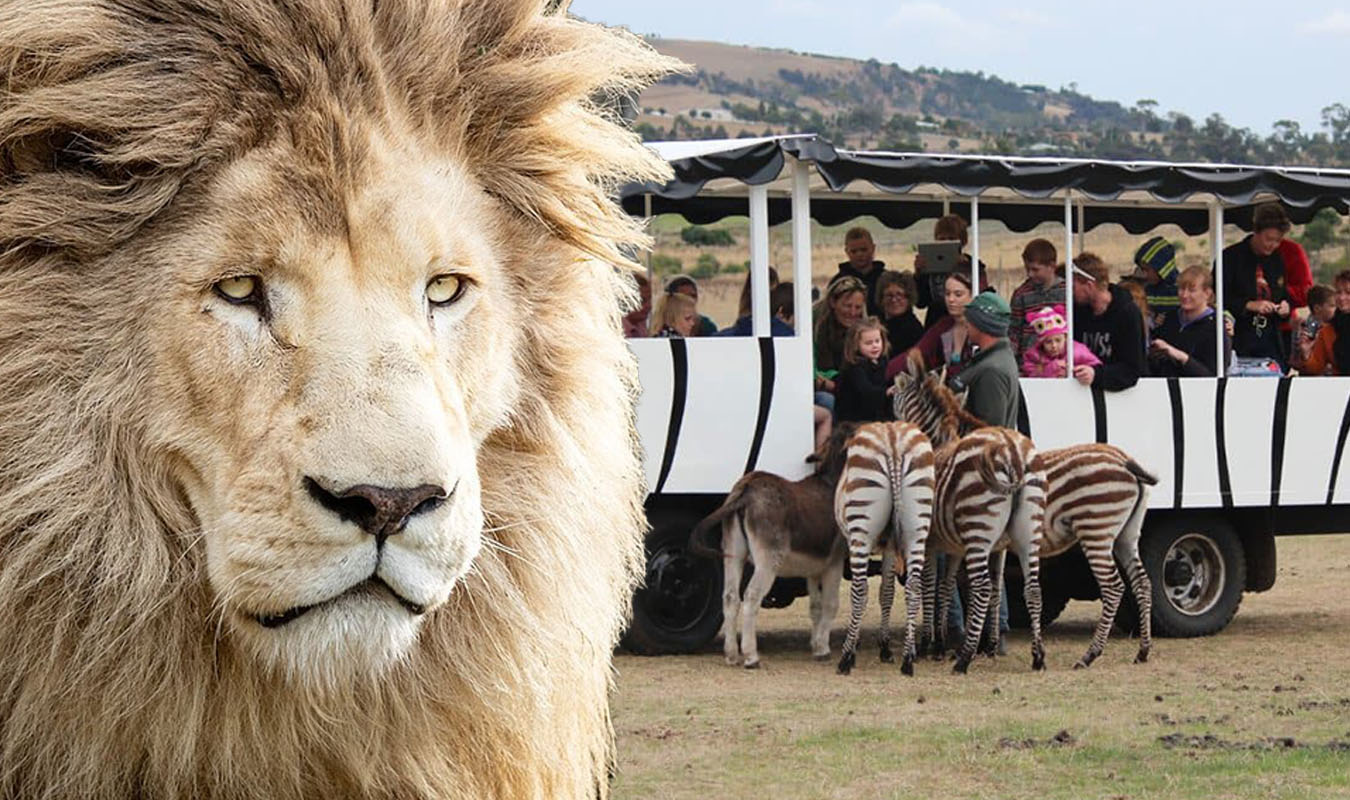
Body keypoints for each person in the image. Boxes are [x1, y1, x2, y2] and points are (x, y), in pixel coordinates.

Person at [943, 291, 1017, 653]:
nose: (965, 326)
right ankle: (993, 630)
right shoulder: (993, 360)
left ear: (982, 325)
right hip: (985, 478)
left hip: (981, 480)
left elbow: (985, 432)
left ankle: (974, 631)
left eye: (970, 321)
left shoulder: (990, 370)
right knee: (984, 556)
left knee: (969, 556)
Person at [1222, 203, 1292, 369]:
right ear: (1256, 232)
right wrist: (1249, 305)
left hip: (1271, 341)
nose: (1272, 245)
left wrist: (1285, 306)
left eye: (1278, 241)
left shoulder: (1277, 260)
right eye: (1269, 239)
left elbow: (1283, 293)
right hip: (1239, 339)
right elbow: (1217, 296)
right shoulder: (1230, 258)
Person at [1071, 253, 1147, 391]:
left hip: (1122, 399)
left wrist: (1097, 374)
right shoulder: (1077, 312)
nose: (1070, 292)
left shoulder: (1127, 313)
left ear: (1089, 285)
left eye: (1074, 287)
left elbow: (1132, 369)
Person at [885, 271, 977, 381]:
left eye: (958, 294)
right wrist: (883, 373)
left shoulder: (980, 327)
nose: (951, 299)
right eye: (947, 294)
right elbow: (917, 353)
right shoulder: (943, 326)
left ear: (972, 296)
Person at [914, 214, 988, 330]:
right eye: (942, 239)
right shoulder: (929, 265)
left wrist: (966, 268)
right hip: (936, 324)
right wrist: (919, 273)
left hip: (965, 323)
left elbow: (981, 298)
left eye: (952, 239)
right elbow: (920, 302)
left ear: (963, 241)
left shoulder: (974, 266)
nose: (946, 243)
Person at [1148, 265, 1220, 378]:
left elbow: (1213, 376)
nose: (1184, 295)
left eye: (1192, 290)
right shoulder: (1168, 319)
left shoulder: (1217, 328)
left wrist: (1181, 357)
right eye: (1181, 288)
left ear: (1207, 293)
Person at [813, 276, 867, 408]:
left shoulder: (865, 331)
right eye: (847, 306)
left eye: (858, 307)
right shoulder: (815, 326)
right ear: (833, 302)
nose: (853, 312)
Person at [1008, 238, 1065, 361]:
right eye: (1027, 269)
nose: (1030, 274)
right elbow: (1014, 331)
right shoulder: (1021, 294)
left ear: (1052, 266)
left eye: (1035, 269)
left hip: (1062, 362)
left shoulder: (1067, 291)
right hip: (1030, 363)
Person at [835, 318, 894, 423]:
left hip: (876, 415)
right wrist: (886, 392)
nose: (874, 345)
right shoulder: (854, 367)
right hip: (854, 418)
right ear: (856, 345)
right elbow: (865, 391)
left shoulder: (883, 362)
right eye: (868, 343)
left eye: (877, 341)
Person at [1020, 305, 1102, 379]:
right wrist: (1050, 369)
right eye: (1048, 342)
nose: (1054, 345)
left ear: (1065, 338)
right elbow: (1030, 375)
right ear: (1041, 343)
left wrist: (1073, 372)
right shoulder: (1034, 356)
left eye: (1058, 340)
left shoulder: (1077, 351)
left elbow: (1095, 366)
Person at [1302, 270, 1350, 376]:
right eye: (1338, 292)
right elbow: (1316, 368)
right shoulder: (1327, 331)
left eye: (1348, 293)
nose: (1342, 298)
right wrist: (1306, 353)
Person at [830, 228, 886, 317]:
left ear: (873, 248)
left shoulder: (885, 279)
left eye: (864, 250)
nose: (859, 254)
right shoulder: (839, 282)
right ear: (847, 251)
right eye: (854, 251)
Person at [1131, 236, 1180, 329]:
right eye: (1142, 269)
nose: (1144, 275)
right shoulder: (1144, 288)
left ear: (1161, 268)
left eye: (1147, 270)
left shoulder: (1181, 290)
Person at [875, 270, 924, 358]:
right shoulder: (877, 324)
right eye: (889, 295)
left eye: (899, 295)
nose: (894, 300)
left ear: (909, 298)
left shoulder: (913, 330)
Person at [1293, 284, 1335, 369]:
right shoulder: (1305, 329)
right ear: (1317, 308)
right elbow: (1296, 359)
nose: (1337, 309)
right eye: (1332, 306)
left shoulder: (1334, 326)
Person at [623, 271, 651, 338]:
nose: (649, 306)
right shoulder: (614, 331)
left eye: (650, 299)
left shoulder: (641, 325)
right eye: (642, 301)